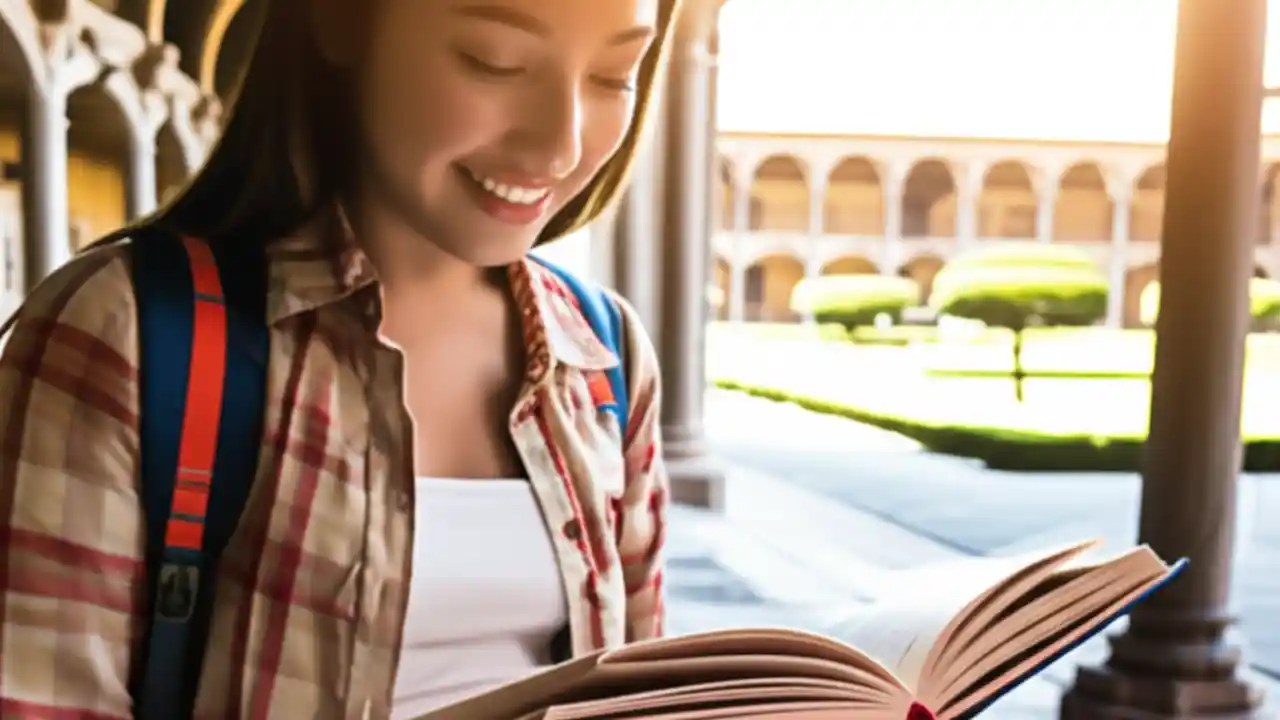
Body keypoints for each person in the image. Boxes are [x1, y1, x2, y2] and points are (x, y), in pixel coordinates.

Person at [0, 0, 677, 717]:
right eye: (494, 60)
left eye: (614, 75)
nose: (560, 146)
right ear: (343, 21)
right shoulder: (124, 331)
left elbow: (638, 692)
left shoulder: (604, 355)